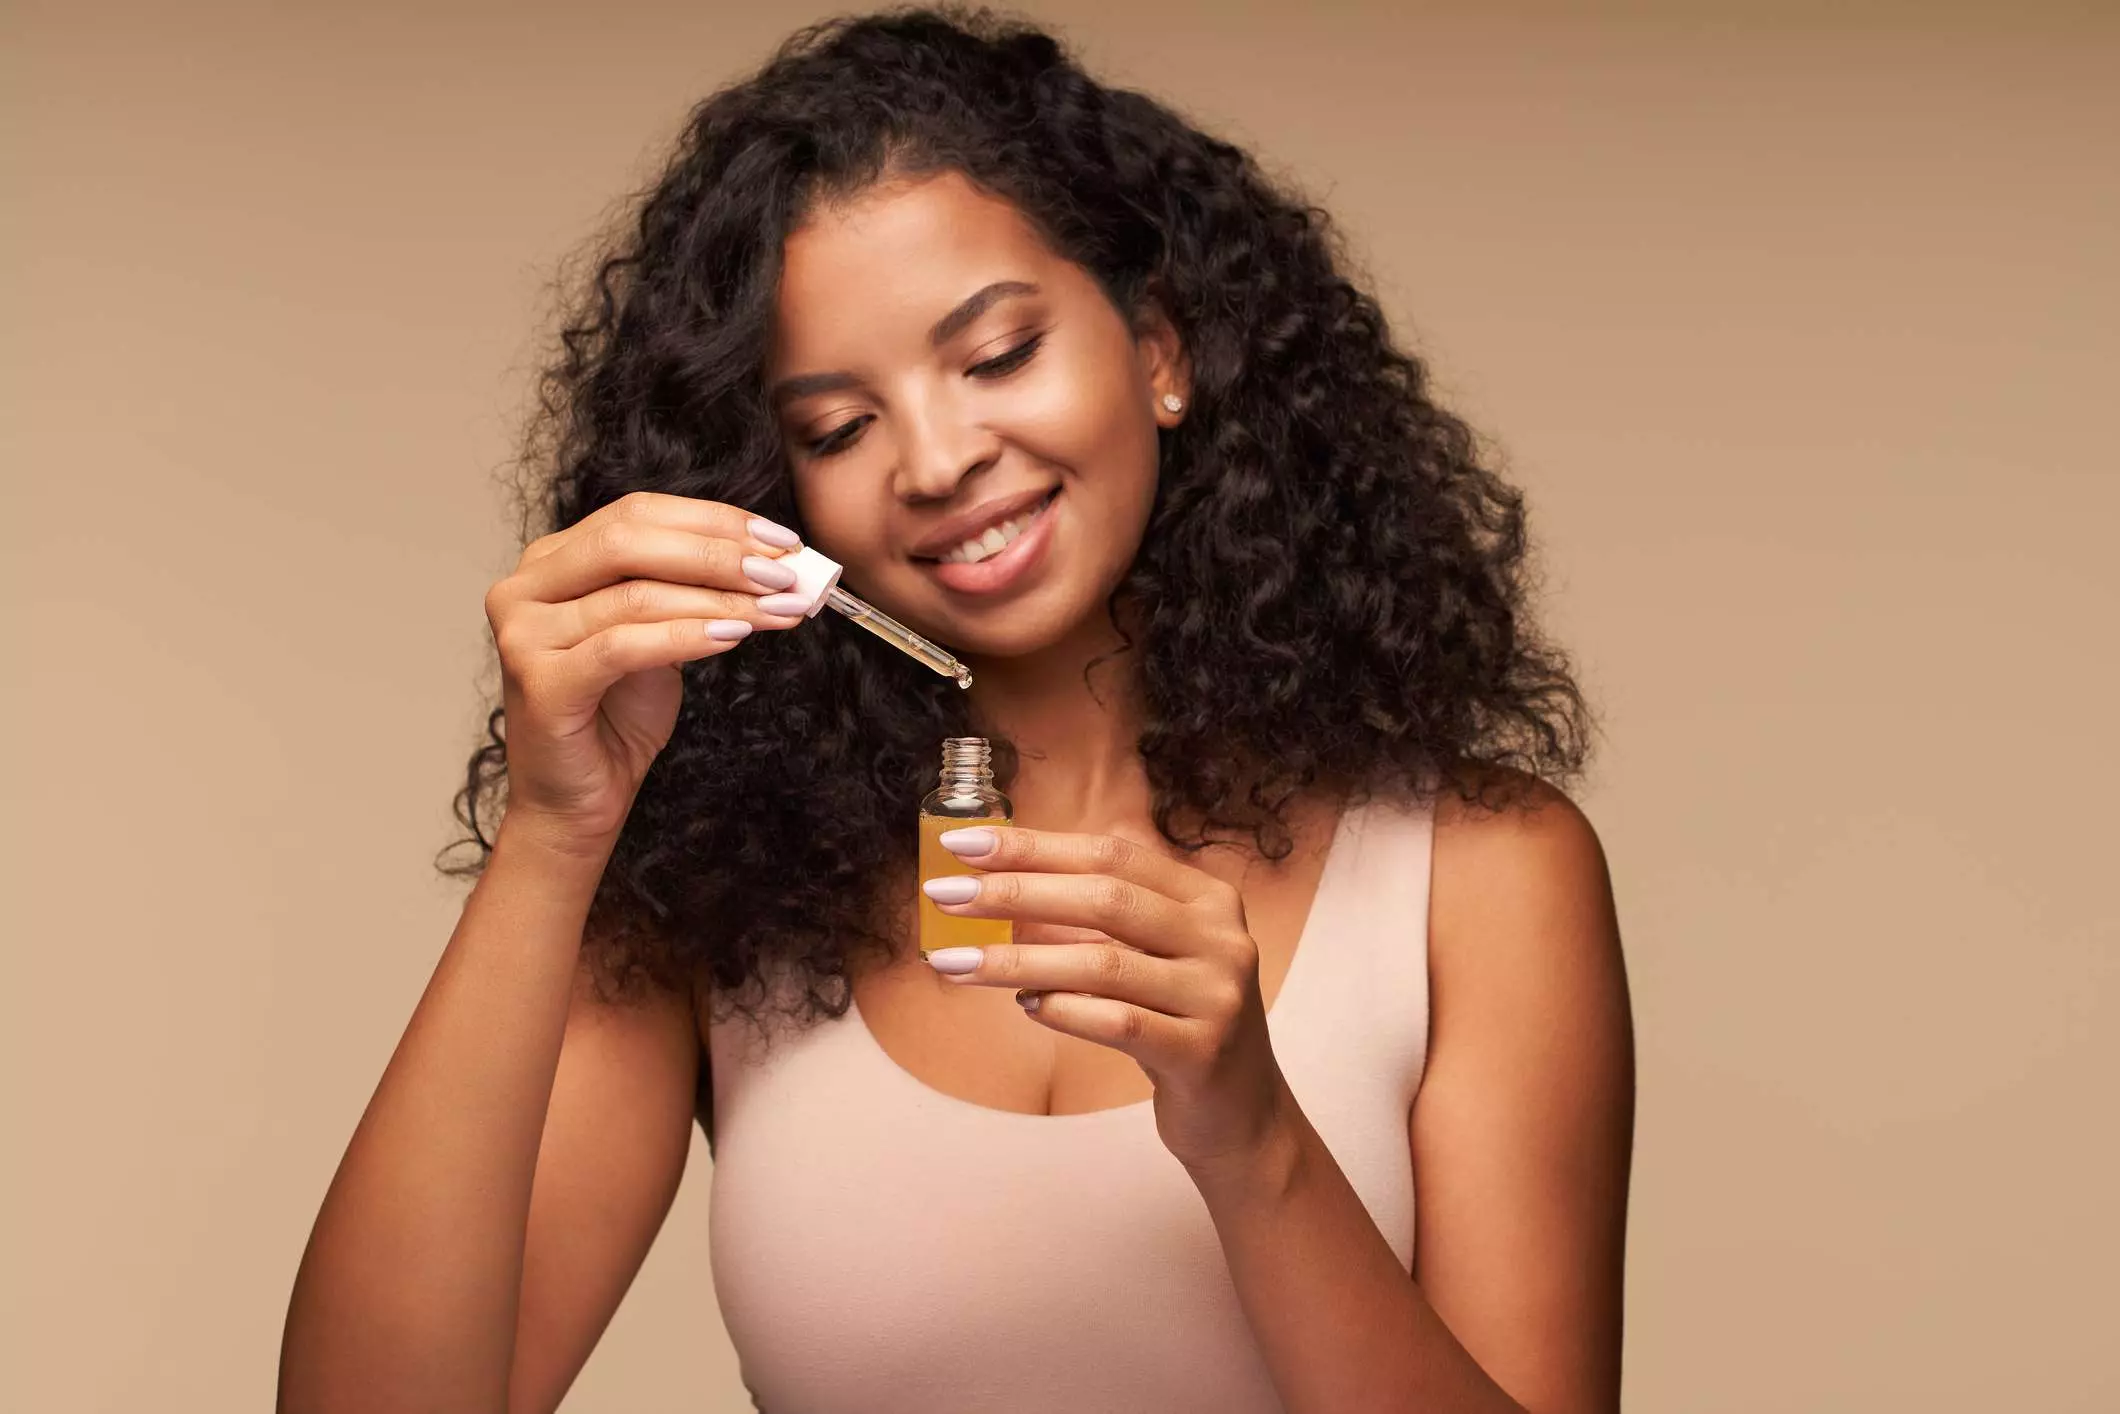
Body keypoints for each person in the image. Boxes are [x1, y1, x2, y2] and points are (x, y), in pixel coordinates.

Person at [278, 10, 1633, 1413]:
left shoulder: (1478, 872)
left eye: (994, 356)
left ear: (1159, 346)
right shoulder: (731, 905)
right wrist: (557, 832)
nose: (936, 459)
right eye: (838, 429)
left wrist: (1258, 1143)